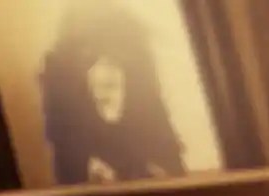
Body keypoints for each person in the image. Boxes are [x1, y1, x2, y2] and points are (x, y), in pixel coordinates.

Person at [39, 0, 187, 184]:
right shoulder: (61, 71)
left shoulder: (139, 73)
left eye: (114, 61)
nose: (103, 75)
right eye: (89, 60)